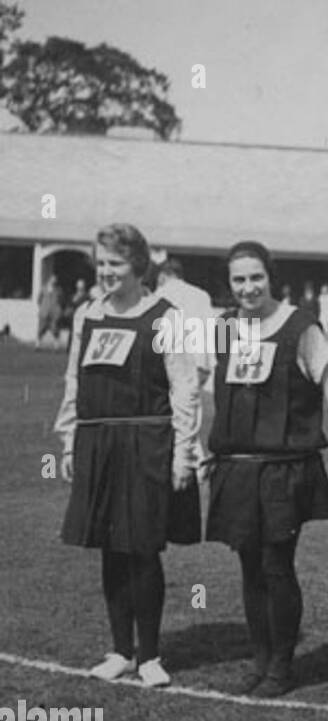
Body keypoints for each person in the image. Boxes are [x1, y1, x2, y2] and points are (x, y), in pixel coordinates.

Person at [204, 241, 328, 697]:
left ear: (270, 277)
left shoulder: (299, 326)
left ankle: (282, 667)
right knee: (249, 565)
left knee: (276, 564)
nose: (248, 288)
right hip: (238, 466)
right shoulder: (223, 328)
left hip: (284, 468)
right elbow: (215, 393)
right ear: (229, 285)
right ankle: (260, 659)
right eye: (239, 280)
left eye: (256, 277)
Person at [54, 223, 202, 686]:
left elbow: (186, 387)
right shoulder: (87, 315)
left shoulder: (166, 316)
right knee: (110, 548)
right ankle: (120, 650)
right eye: (101, 263)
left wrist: (184, 454)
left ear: (138, 265)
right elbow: (74, 380)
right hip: (98, 441)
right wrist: (68, 438)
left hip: (147, 442)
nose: (106, 272)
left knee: (141, 548)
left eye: (115, 263)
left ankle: (151, 655)